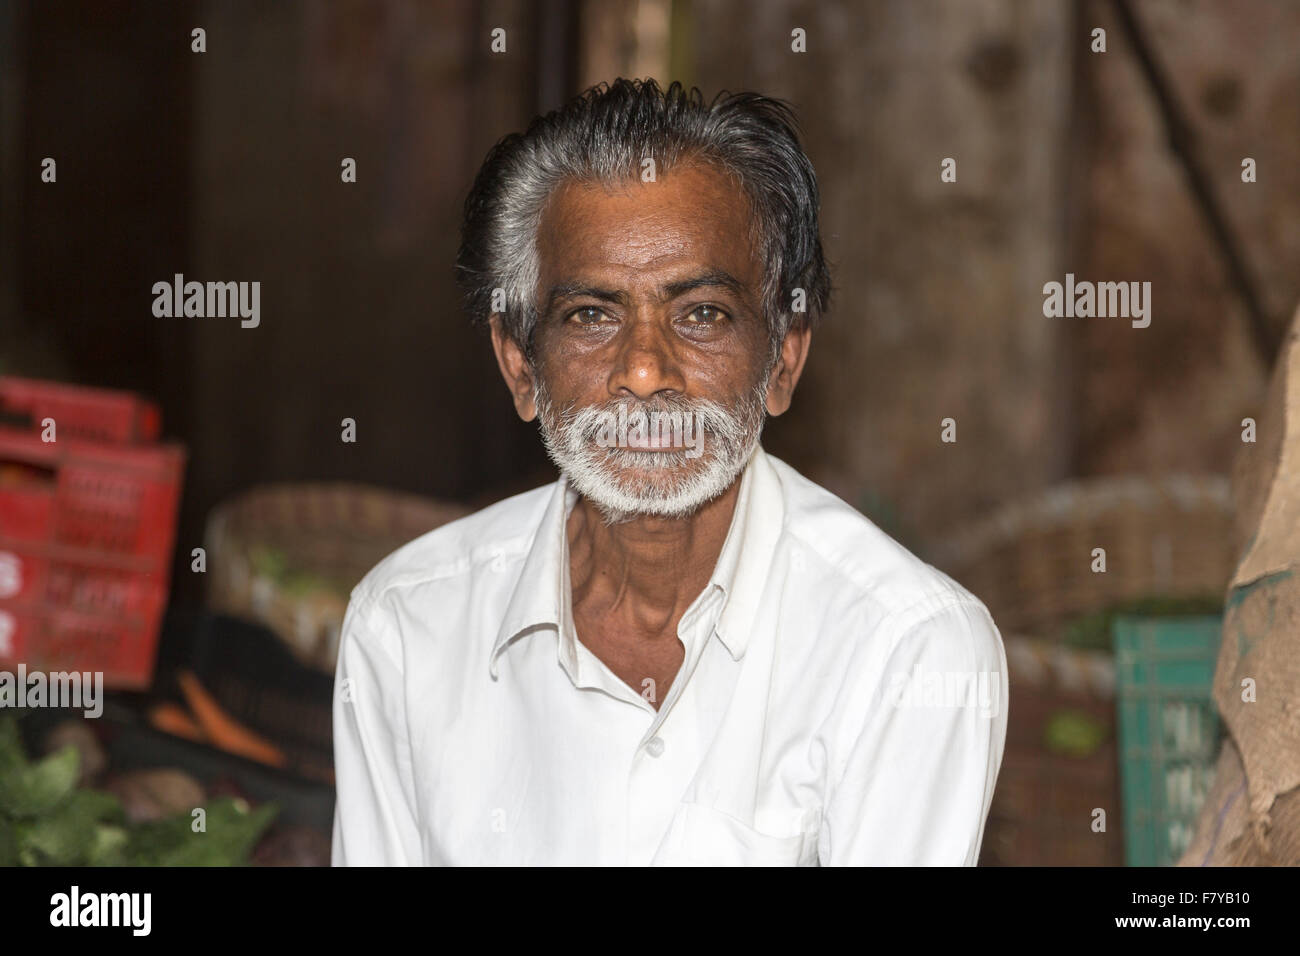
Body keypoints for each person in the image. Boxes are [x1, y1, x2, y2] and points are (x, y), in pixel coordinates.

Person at [331, 78, 1007, 866]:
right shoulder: (407, 629)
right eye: (592, 315)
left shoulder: (906, 650)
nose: (646, 372)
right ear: (520, 365)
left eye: (702, 315)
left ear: (784, 357)